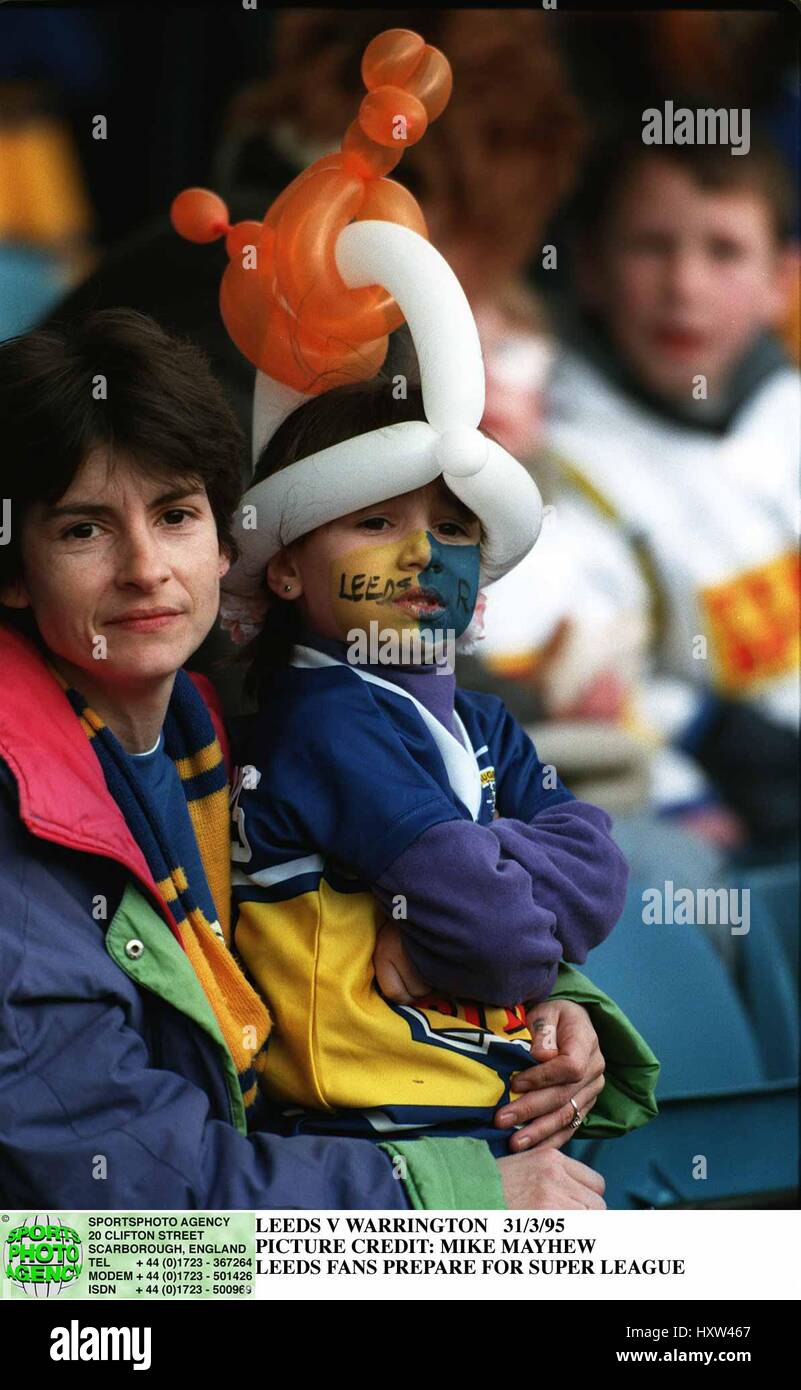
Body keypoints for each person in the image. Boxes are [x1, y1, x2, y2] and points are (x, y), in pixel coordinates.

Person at [0, 307, 624, 1210]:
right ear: (14, 571)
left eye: (174, 515)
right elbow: (110, 1214)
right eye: (84, 531)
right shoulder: (24, 824)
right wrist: (449, 1201)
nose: (145, 568)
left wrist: (556, 1009)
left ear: (225, 547)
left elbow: (503, 895)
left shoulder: (212, 740)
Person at [224, 376, 659, 1155]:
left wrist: (447, 906)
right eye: (375, 520)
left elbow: (599, 875)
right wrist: (480, 905)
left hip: (476, 1109)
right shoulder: (324, 718)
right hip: (362, 1140)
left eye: (455, 528)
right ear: (285, 569)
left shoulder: (484, 719)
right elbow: (494, 939)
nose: (423, 552)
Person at [480, 135, 800, 853]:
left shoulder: (788, 408)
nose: (683, 285)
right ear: (588, 267)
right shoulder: (553, 459)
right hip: (731, 818)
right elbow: (601, 699)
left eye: (722, 251)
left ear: (780, 279)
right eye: (650, 247)